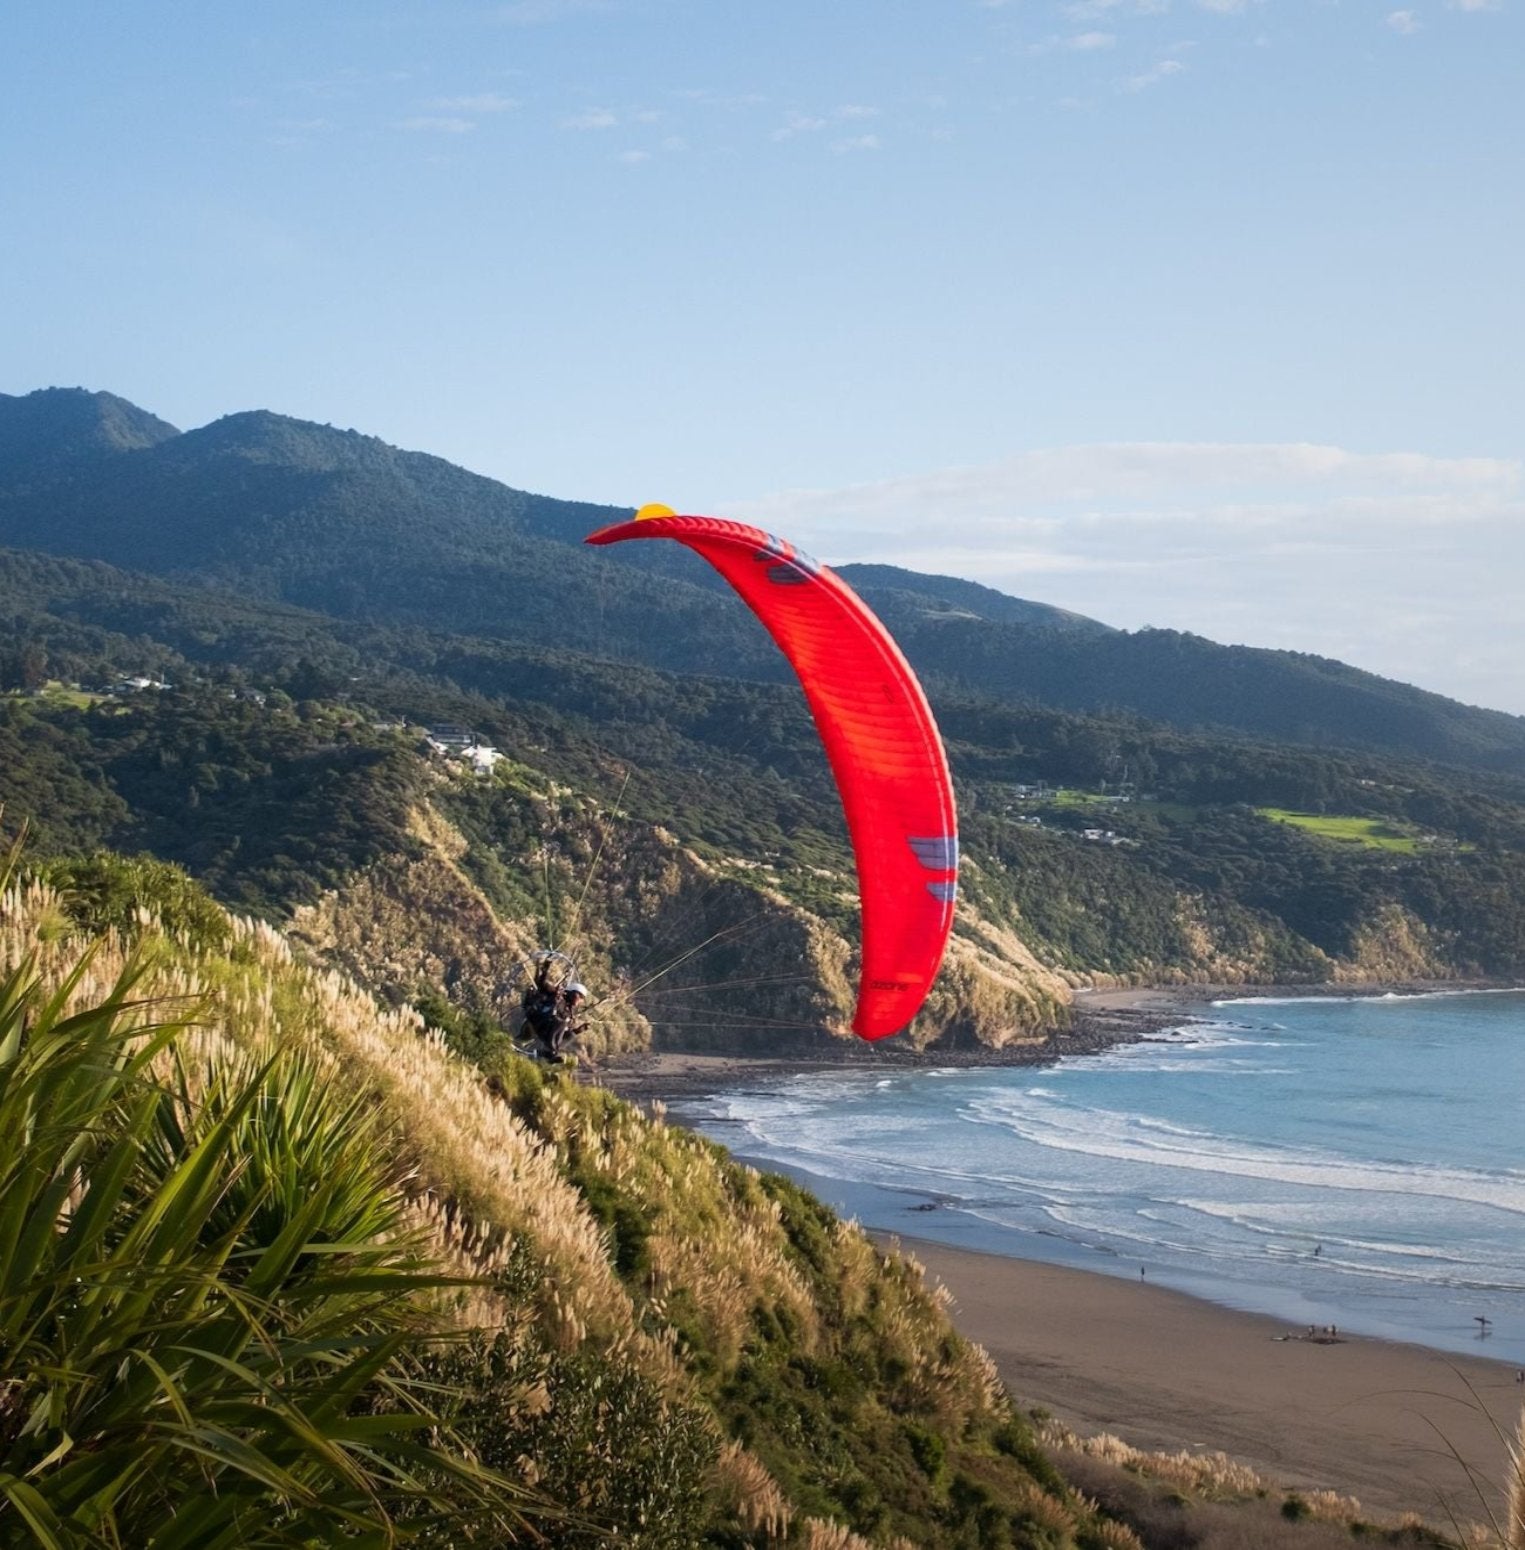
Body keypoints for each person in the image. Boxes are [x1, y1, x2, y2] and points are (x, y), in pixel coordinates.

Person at [520, 967, 588, 1064]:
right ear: (572, 993)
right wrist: (545, 969)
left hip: (546, 1032)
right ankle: (550, 1051)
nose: (580, 1000)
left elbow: (563, 1037)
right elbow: (541, 984)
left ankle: (549, 1053)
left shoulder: (569, 1014)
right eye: (579, 996)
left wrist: (577, 1031)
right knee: (561, 1023)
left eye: (582, 998)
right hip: (538, 1020)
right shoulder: (557, 995)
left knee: (566, 1028)